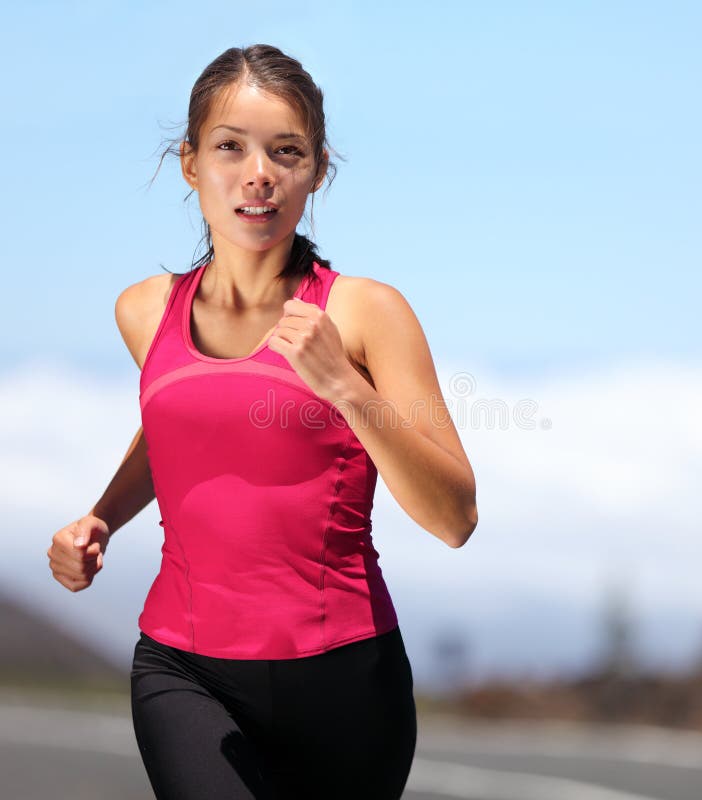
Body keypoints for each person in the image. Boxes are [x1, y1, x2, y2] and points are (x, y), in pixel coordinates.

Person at [46, 43, 478, 800]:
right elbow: (177, 429)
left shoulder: (366, 312)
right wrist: (102, 518)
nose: (259, 174)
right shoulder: (146, 311)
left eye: (287, 152)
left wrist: (345, 384)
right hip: (182, 668)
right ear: (189, 164)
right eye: (230, 147)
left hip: (345, 682)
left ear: (316, 171)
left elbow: (455, 516)